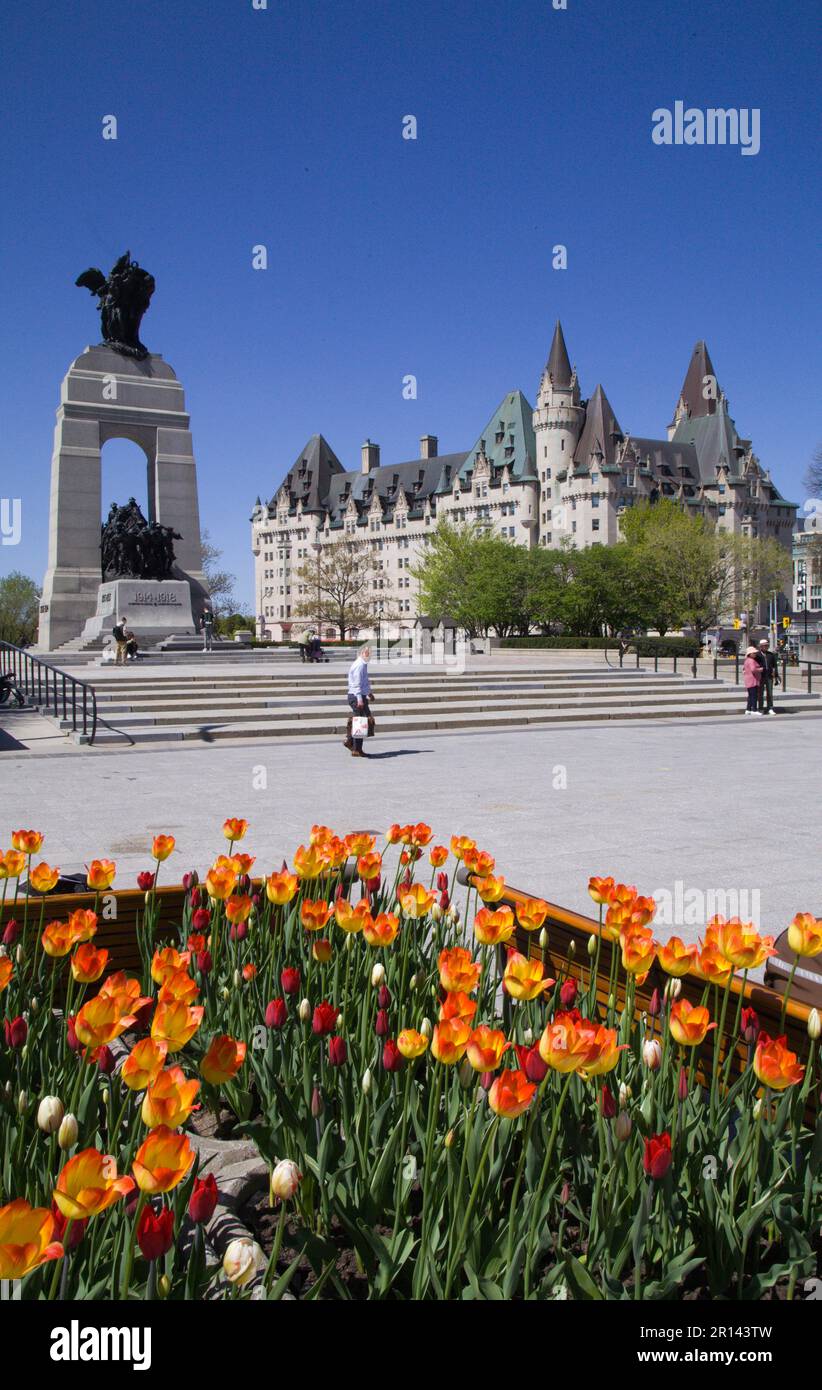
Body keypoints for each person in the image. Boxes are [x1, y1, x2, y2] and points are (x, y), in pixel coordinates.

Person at [345, 644, 375, 757]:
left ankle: (353, 744)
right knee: (360, 723)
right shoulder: (359, 665)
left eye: (370, 653)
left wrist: (369, 693)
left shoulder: (363, 664)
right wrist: (359, 699)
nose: (369, 655)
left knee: (363, 721)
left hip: (360, 696)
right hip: (356, 696)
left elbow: (364, 682)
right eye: (367, 653)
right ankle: (355, 746)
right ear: (361, 653)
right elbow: (356, 683)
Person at [755, 637, 779, 715]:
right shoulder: (757, 655)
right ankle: (761, 708)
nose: (765, 647)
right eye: (763, 646)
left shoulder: (770, 655)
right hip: (760, 676)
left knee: (770, 693)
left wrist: (776, 675)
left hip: (769, 676)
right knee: (760, 693)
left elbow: (775, 666)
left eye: (766, 645)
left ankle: (770, 708)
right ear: (760, 646)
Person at [742, 645, 763, 715]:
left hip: (748, 680)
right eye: (753, 653)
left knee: (750, 695)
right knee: (754, 695)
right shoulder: (751, 660)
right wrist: (760, 669)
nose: (755, 654)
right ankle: (754, 709)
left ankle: (748, 709)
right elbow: (753, 670)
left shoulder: (747, 660)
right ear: (750, 654)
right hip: (753, 680)